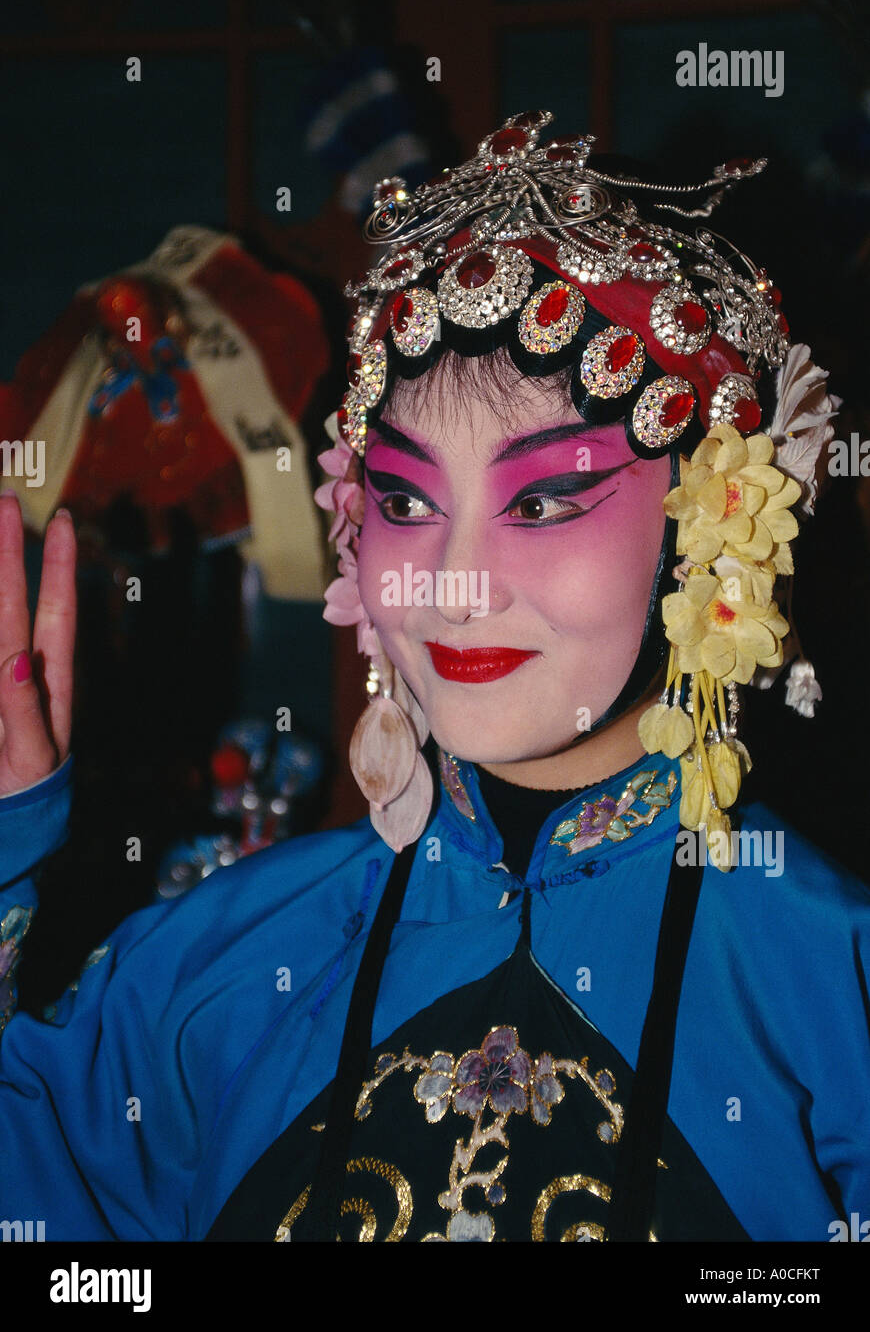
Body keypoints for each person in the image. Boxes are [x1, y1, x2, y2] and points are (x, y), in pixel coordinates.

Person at [0, 111, 867, 1244]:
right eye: (406, 501)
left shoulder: (825, 979)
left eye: (544, 499)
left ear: (709, 522)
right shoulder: (219, 972)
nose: (451, 584)